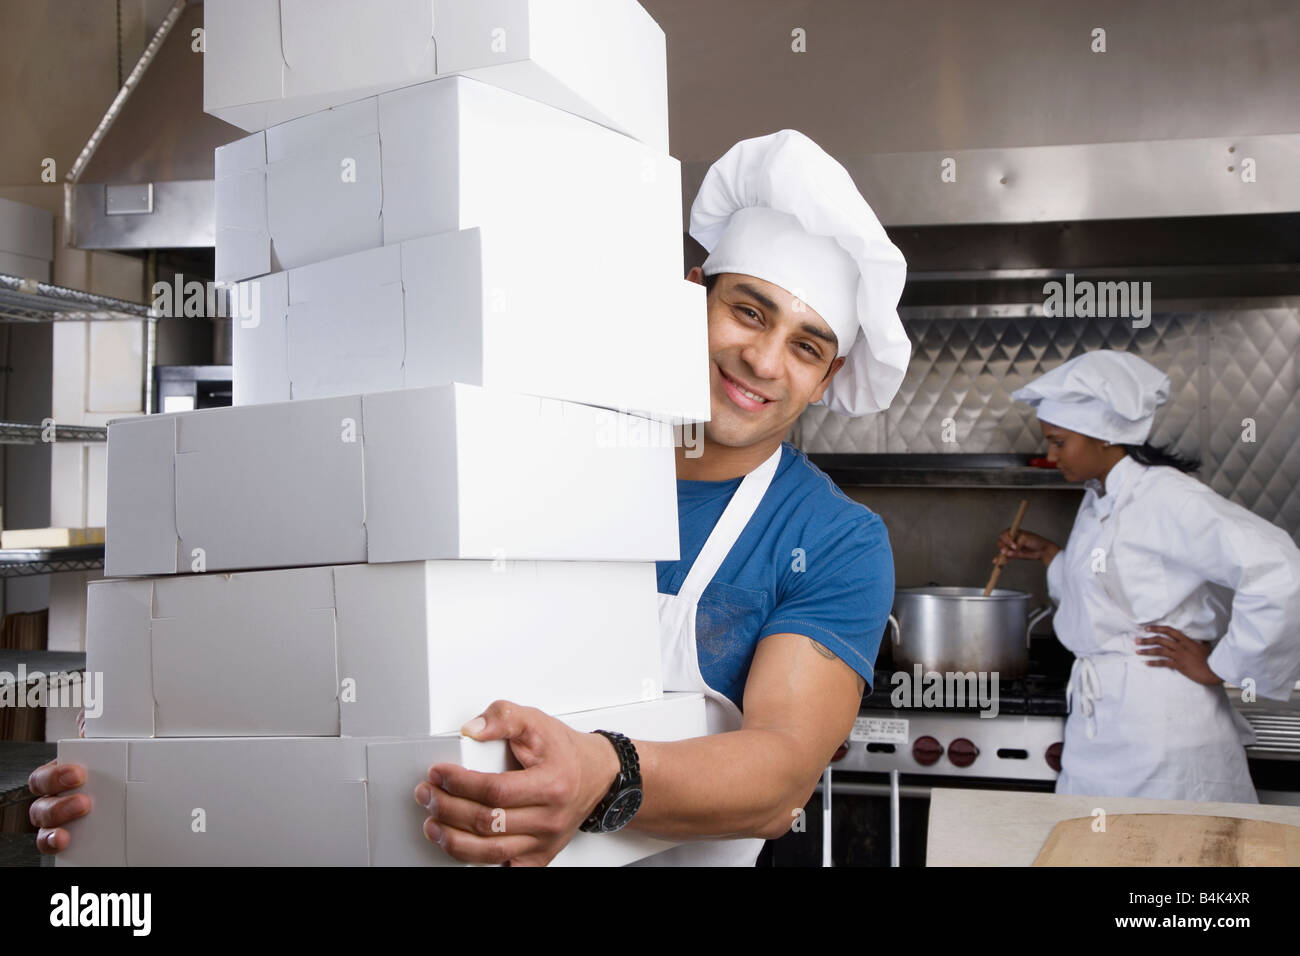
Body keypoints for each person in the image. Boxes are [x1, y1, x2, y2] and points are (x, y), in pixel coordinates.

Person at [29, 129, 911, 866]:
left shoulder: (834, 538)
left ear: (829, 377)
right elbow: (327, 637)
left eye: (806, 346)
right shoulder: (536, 440)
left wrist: (604, 776)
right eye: (749, 312)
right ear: (693, 299)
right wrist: (144, 785)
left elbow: (780, 774)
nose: (763, 361)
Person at [996, 349, 1300, 803]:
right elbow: (1116, 598)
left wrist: (1222, 666)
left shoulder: (1166, 497)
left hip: (1162, 729)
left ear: (1104, 438)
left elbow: (1280, 570)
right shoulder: (1099, 497)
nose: (1050, 455)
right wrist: (1051, 555)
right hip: (1102, 725)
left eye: (1059, 442)